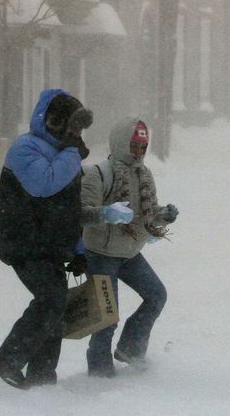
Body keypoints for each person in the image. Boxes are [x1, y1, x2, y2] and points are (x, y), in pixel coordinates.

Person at [0, 89, 93, 389]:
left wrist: (78, 249)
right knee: (51, 300)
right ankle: (9, 359)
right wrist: (73, 151)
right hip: (24, 242)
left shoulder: (65, 155)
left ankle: (42, 377)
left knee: (56, 310)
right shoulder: (25, 148)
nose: (76, 133)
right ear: (54, 121)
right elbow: (43, 185)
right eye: (72, 126)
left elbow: (69, 208)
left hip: (50, 247)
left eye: (79, 129)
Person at [80, 116, 179, 377]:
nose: (138, 151)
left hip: (130, 253)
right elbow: (80, 214)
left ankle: (131, 349)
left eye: (142, 147)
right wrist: (105, 213)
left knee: (157, 295)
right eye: (133, 145)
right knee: (106, 317)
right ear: (120, 143)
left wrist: (163, 215)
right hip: (101, 255)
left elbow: (146, 213)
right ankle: (99, 373)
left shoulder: (144, 175)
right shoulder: (98, 174)